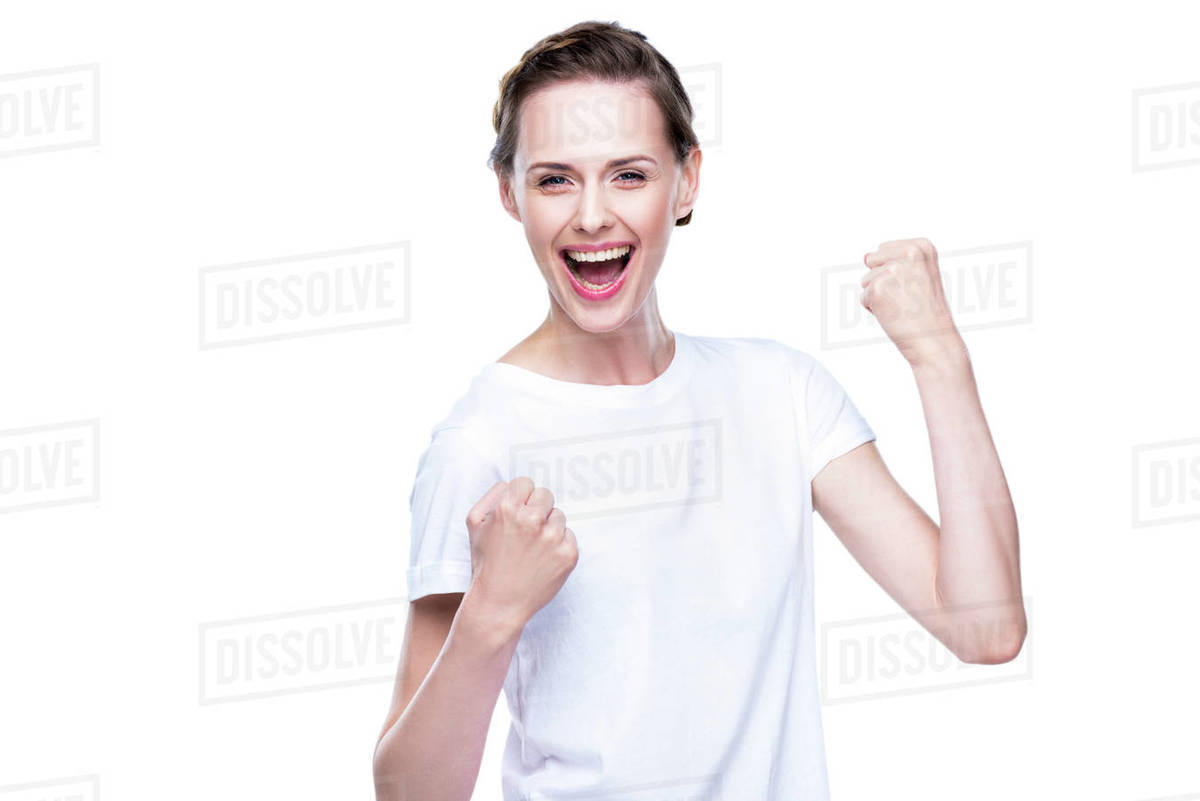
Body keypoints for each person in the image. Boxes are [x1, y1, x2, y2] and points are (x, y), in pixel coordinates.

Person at [373, 20, 1027, 801]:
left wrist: (939, 358)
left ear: (686, 181)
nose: (590, 216)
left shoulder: (782, 393)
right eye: (554, 179)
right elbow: (410, 793)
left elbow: (985, 628)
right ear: (510, 193)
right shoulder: (480, 443)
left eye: (629, 175)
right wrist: (490, 615)